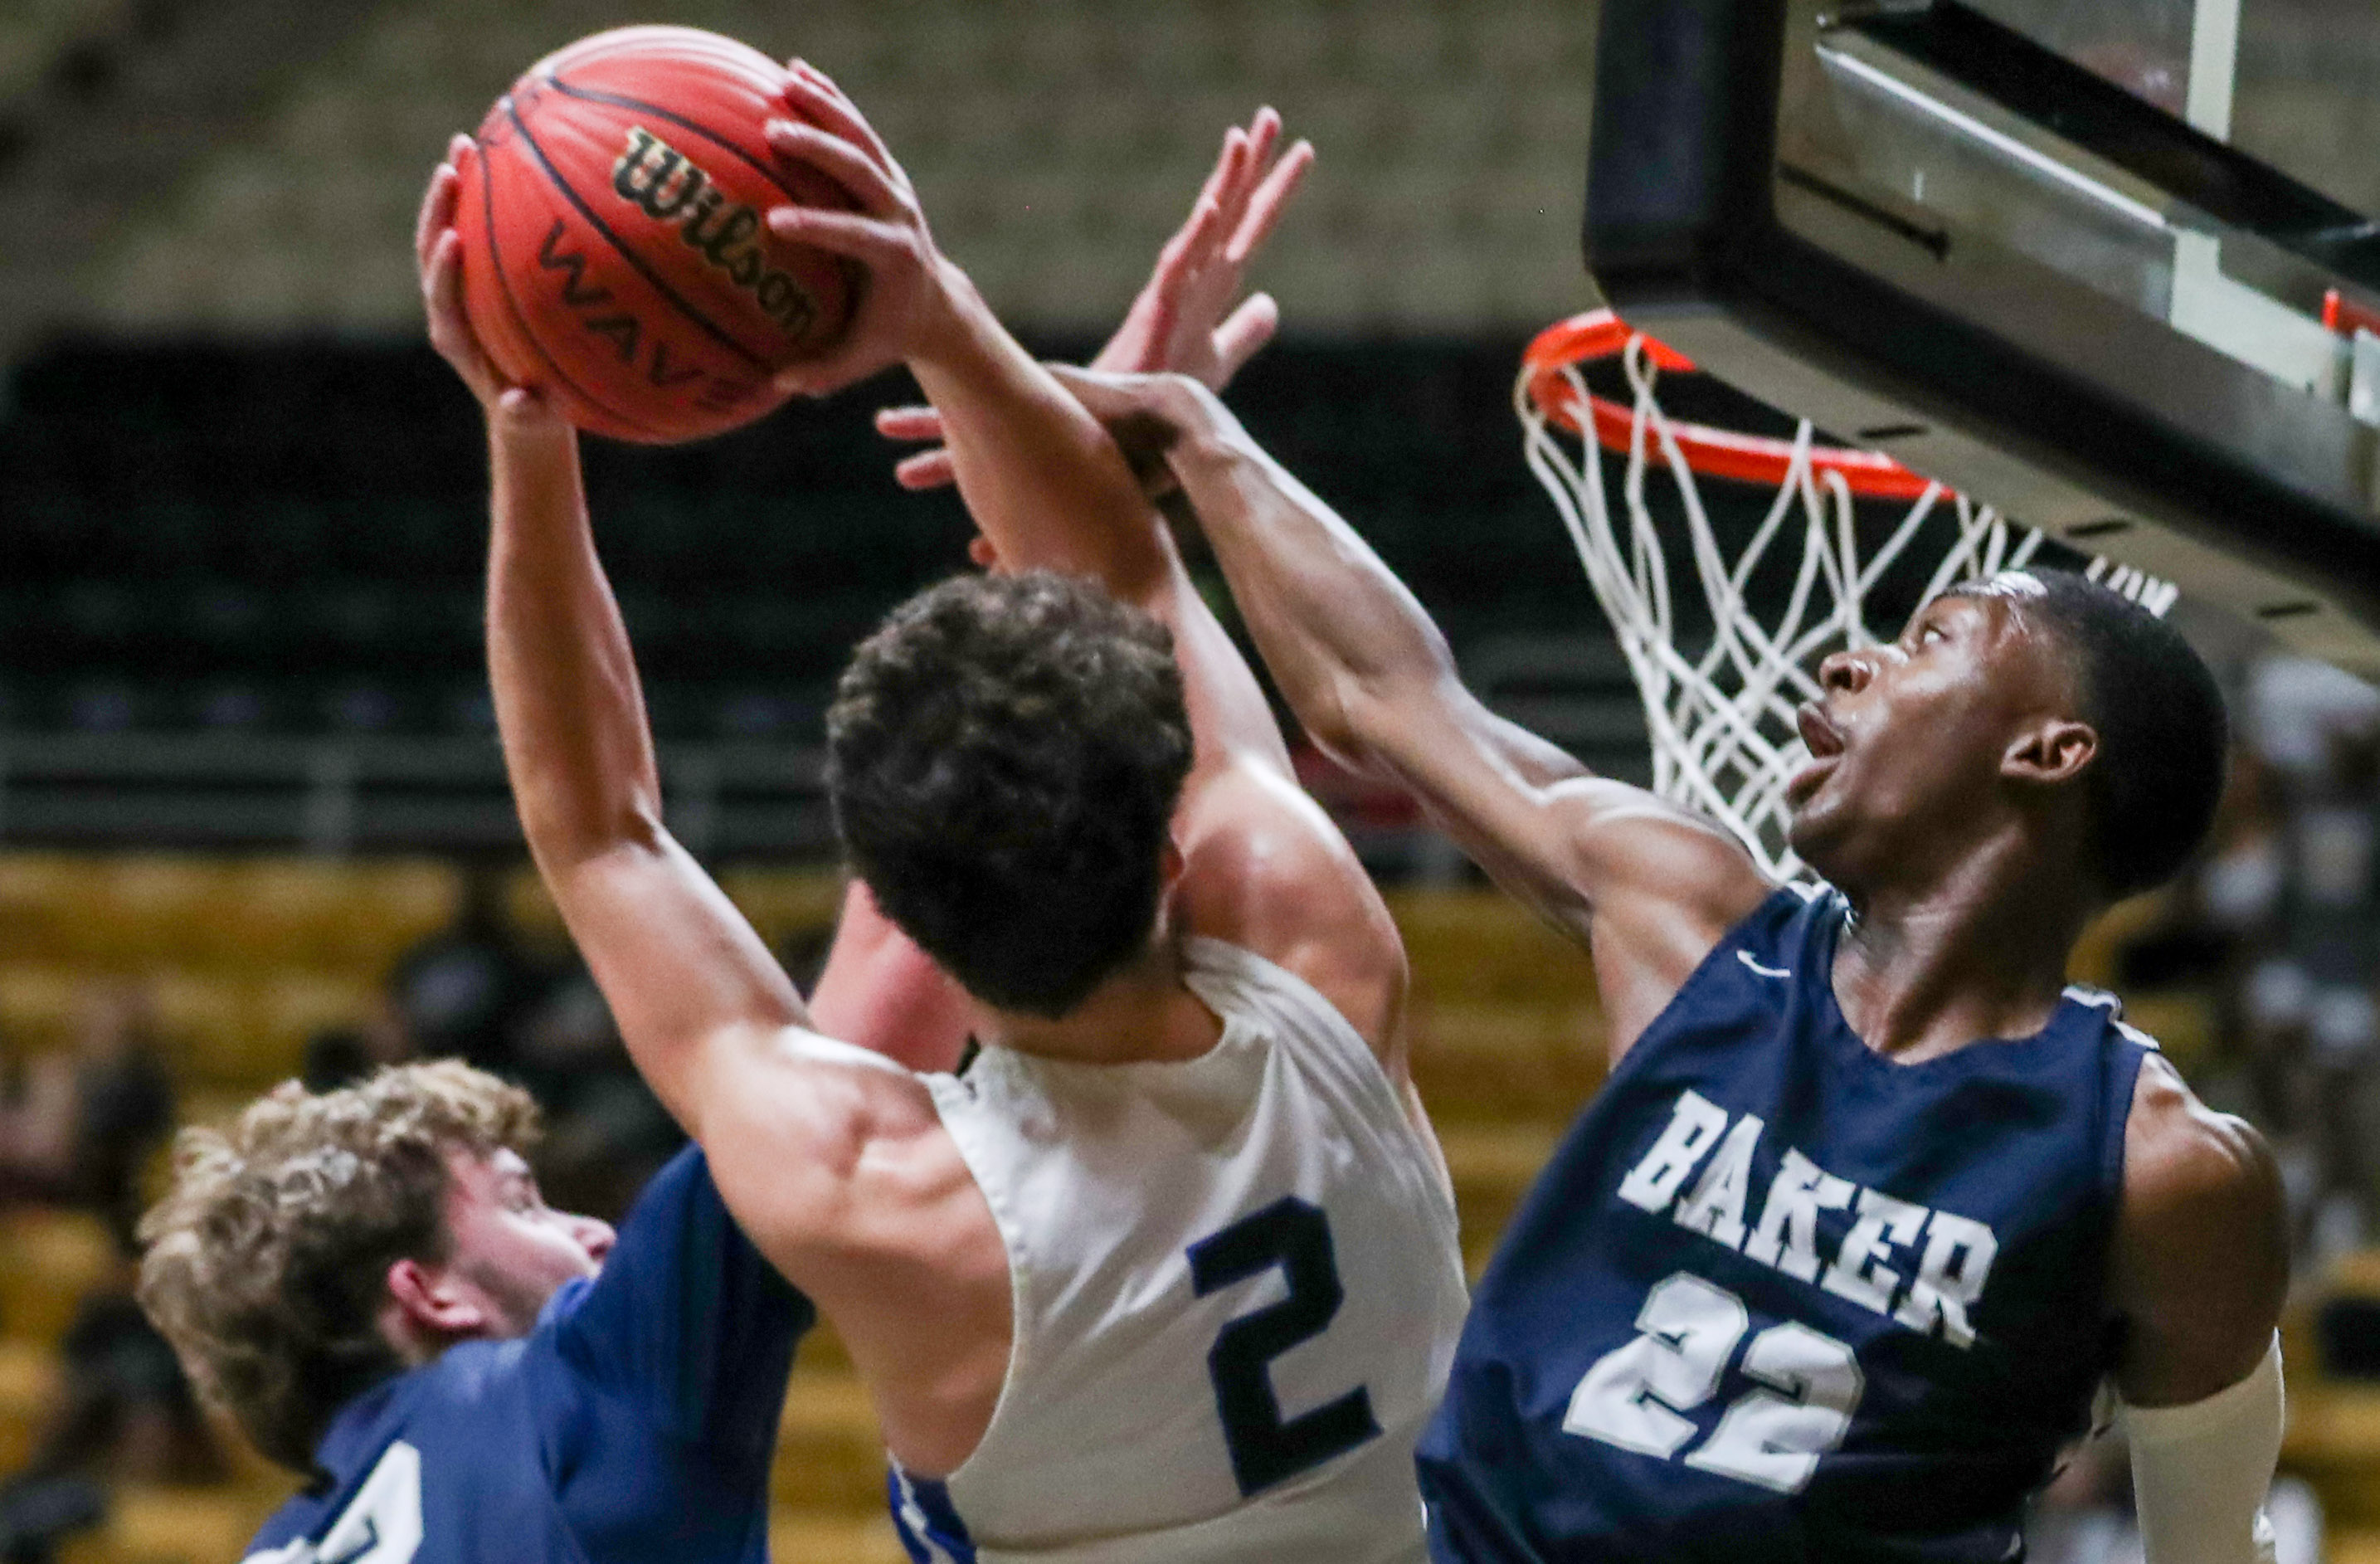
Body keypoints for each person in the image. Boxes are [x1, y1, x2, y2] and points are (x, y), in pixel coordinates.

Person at [128, 105, 1339, 1564]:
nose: (592, 1233)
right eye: (519, 1203)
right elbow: (885, 920)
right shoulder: (564, 1404)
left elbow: (622, 853)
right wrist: (1058, 466)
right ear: (431, 1295)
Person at [428, 63, 1466, 1564]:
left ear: (896, 922)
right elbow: (1134, 575)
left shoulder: (886, 1191)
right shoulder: (1306, 932)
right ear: (1169, 840)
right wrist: (932, 316)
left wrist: (527, 426)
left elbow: (601, 834)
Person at [1035, 366, 2291, 1563]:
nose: (1855, 659)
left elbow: (2208, 1538)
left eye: (1932, 638)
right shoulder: (1691, 922)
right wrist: (1204, 435)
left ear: (2048, 751)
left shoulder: (2157, 1168)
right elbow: (1385, 694)